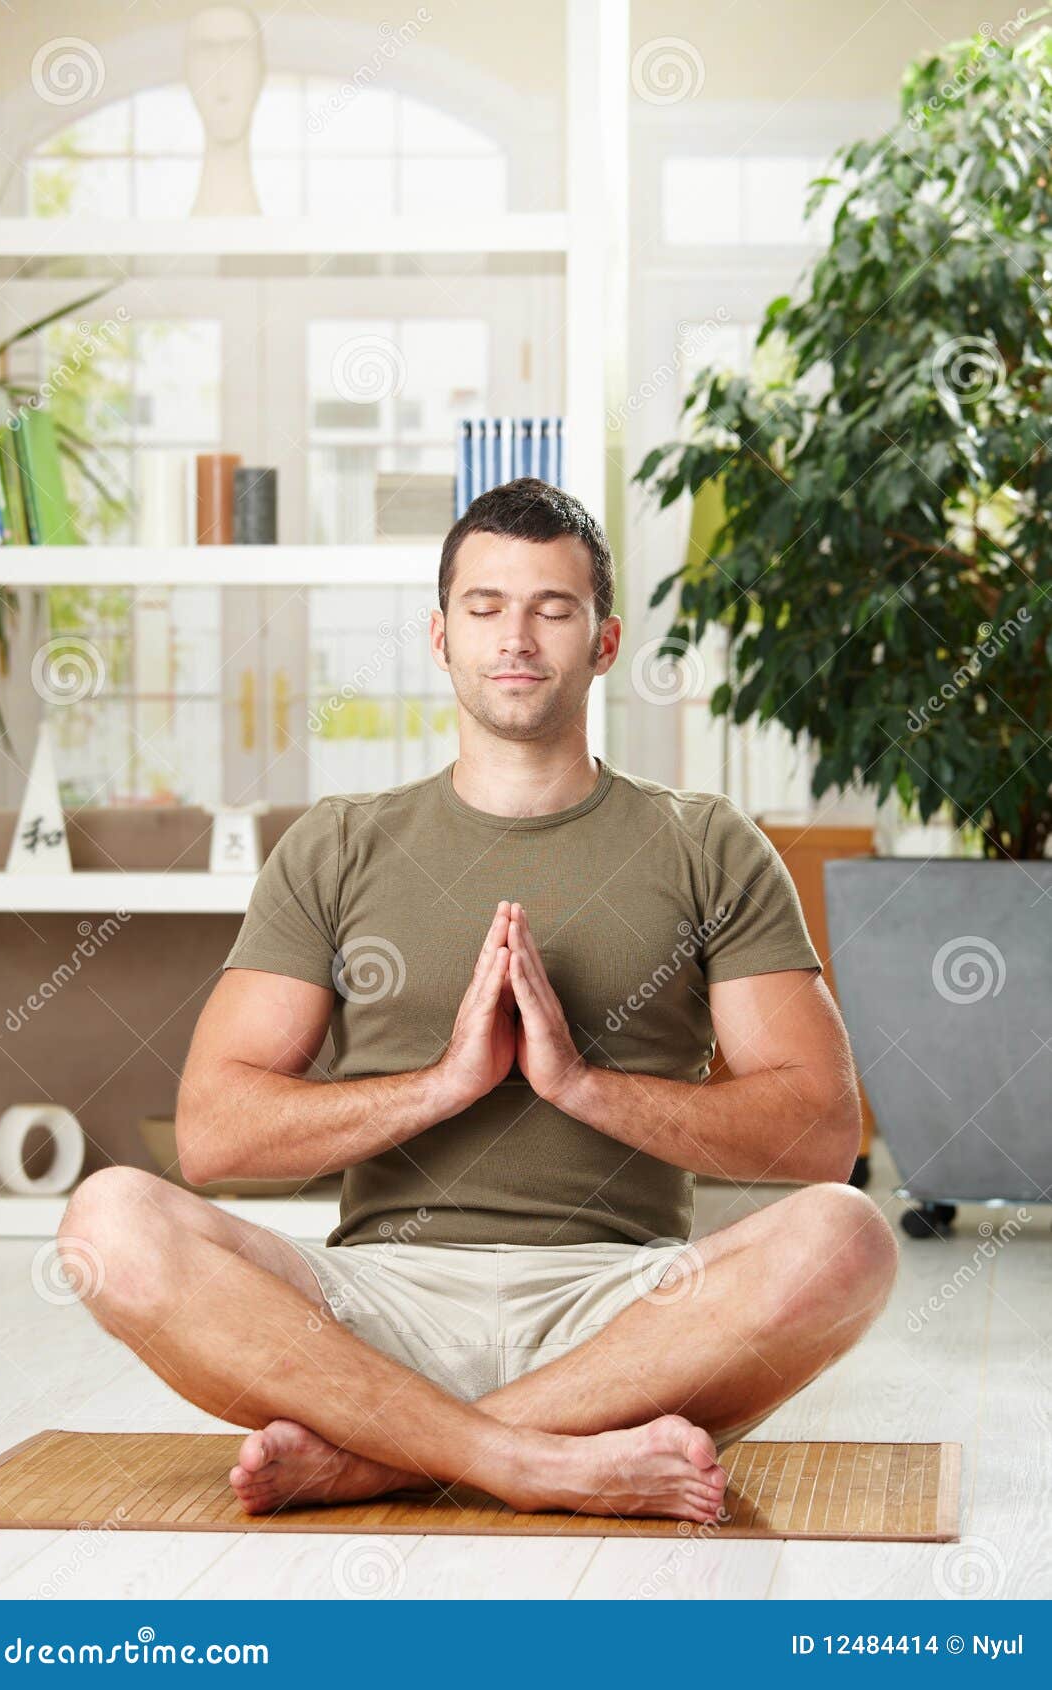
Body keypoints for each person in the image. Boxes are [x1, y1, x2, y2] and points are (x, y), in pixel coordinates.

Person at [59, 478, 898, 1526]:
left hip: (628, 1315)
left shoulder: (707, 843)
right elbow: (214, 1136)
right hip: (373, 1308)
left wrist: (579, 1086)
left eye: (552, 609)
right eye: (484, 606)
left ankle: (388, 1460)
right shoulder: (337, 843)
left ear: (603, 641)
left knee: (847, 1237)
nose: (516, 638)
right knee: (109, 1219)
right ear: (439, 635)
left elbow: (819, 1134)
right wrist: (444, 1084)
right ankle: (532, 1461)